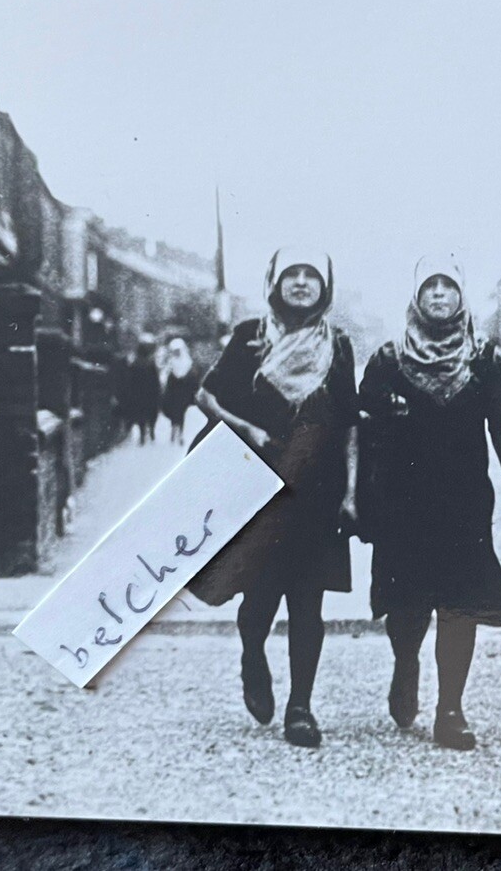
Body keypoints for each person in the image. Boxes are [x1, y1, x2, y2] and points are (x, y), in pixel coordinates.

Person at [357, 255, 501, 751]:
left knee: (459, 605)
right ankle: (405, 666)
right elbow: (361, 433)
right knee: (407, 606)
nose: (439, 294)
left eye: (448, 286)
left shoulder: (485, 361)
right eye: (429, 286)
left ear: (461, 296)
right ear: (416, 297)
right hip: (402, 503)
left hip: (463, 504)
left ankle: (450, 710)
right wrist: (356, 496)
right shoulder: (388, 360)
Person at [188, 248, 358, 749]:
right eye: (292, 275)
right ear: (275, 282)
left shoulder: (338, 346)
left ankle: (300, 708)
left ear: (325, 286)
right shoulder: (251, 337)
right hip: (258, 484)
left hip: (317, 487)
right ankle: (252, 659)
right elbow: (205, 396)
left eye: (311, 276)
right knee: (258, 597)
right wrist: (249, 431)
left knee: (308, 601)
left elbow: (349, 425)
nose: (302, 283)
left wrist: (350, 492)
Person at [159, 336, 199, 446]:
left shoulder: (188, 362)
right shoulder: (171, 363)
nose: (176, 353)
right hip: (173, 393)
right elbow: (167, 378)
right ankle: (174, 430)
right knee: (174, 413)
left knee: (181, 414)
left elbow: (193, 380)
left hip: (184, 393)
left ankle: (180, 433)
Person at [127, 334, 163, 446]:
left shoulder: (135, 363)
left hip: (138, 393)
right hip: (150, 392)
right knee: (151, 413)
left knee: (141, 414)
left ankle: (143, 434)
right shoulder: (150, 363)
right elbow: (155, 379)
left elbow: (130, 379)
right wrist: (158, 391)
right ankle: (151, 431)